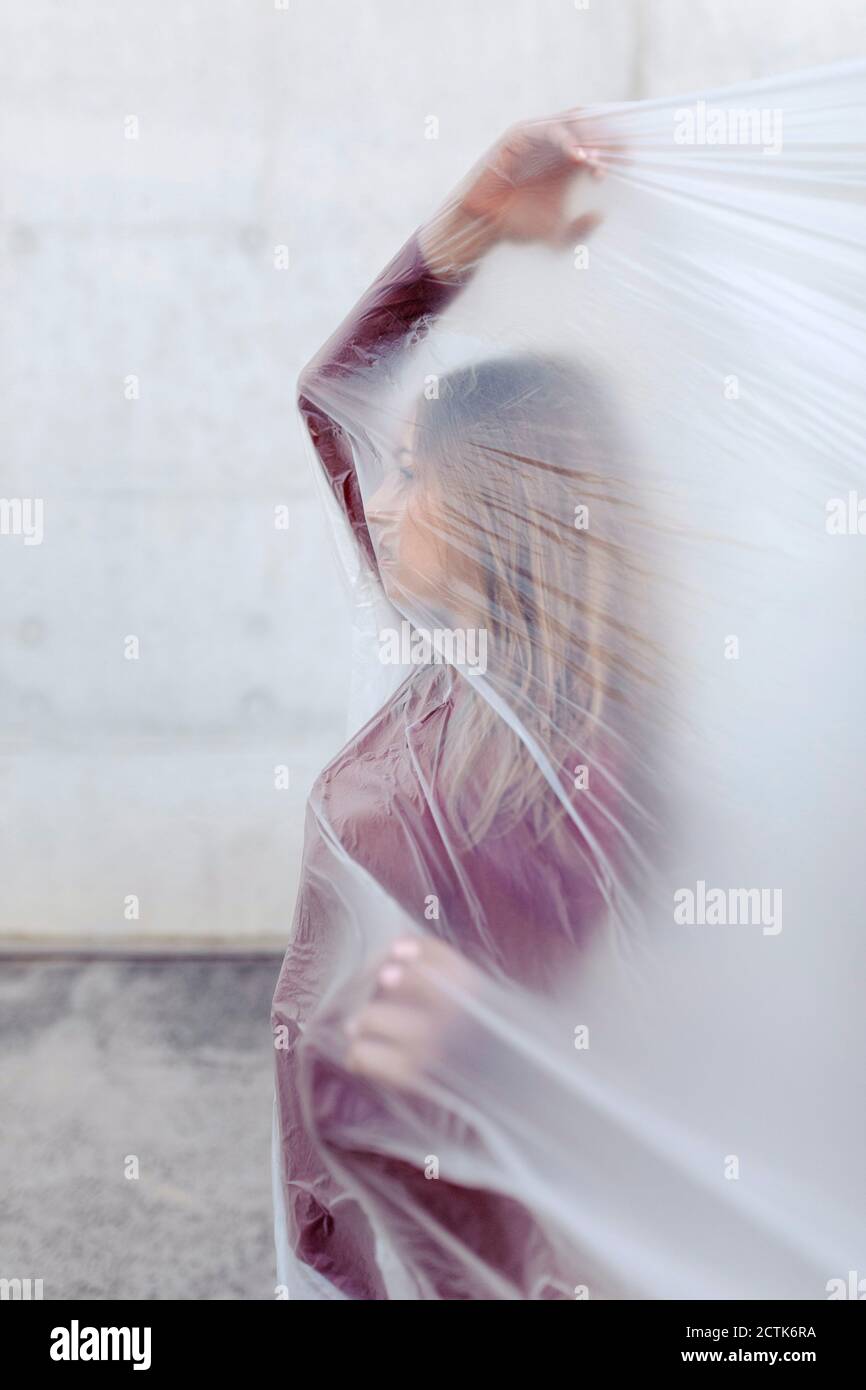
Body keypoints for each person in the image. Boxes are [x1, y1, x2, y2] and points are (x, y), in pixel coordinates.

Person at [273, 115, 645, 1299]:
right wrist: (465, 230)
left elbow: (561, 1122)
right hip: (342, 1236)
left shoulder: (575, 775)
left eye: (415, 472)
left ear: (503, 513)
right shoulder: (450, 666)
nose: (376, 502)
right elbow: (329, 396)